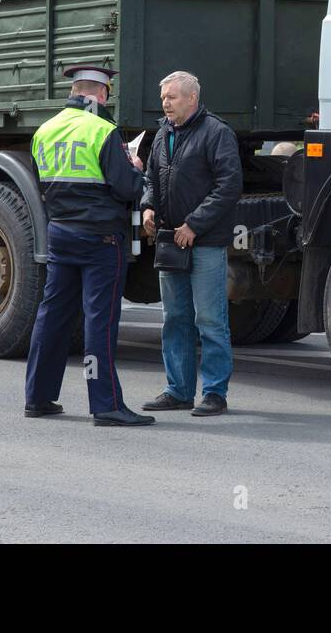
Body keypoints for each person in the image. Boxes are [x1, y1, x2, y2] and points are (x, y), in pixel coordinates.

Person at [24, 64, 154, 427]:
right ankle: (106, 405)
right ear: (101, 94)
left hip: (61, 232)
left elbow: (42, 183)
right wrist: (136, 167)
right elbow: (126, 188)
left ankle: (38, 397)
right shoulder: (103, 129)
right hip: (100, 238)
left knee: (52, 316)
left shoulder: (44, 130)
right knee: (100, 319)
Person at [140, 71, 243, 417]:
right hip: (171, 241)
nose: (165, 103)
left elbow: (228, 186)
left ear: (192, 99)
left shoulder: (217, 133)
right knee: (175, 318)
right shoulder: (162, 133)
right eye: (164, 97)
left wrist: (194, 225)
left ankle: (215, 393)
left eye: (172, 96)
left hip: (205, 243)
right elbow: (151, 178)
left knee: (210, 319)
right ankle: (178, 391)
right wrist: (148, 206)